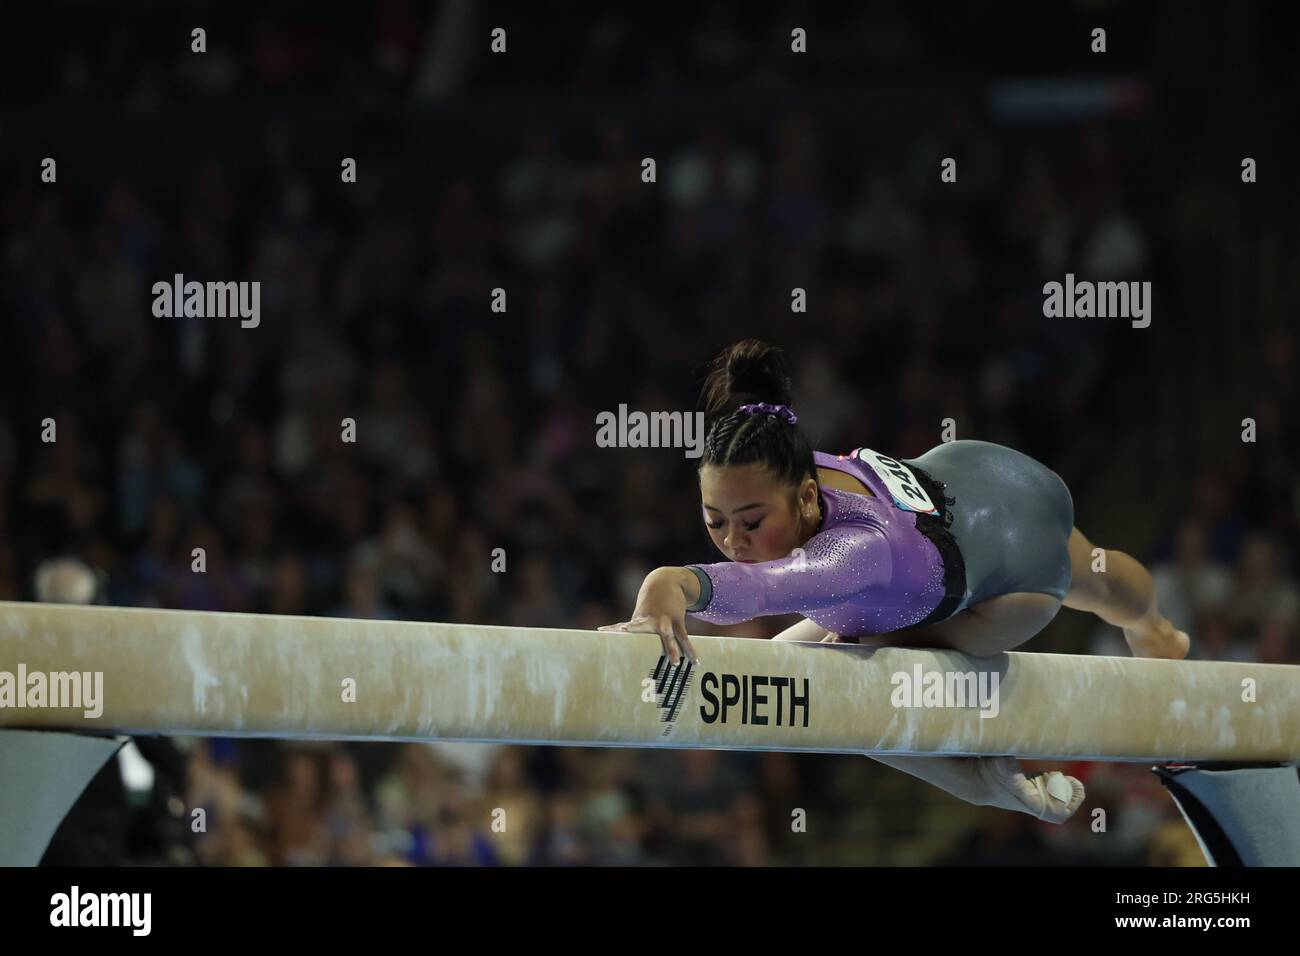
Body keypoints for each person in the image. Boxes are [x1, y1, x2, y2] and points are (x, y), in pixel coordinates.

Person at [601, 339, 1189, 823]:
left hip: (1008, 592)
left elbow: (762, 589)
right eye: (714, 522)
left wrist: (671, 581)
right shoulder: (789, 461)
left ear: (808, 497)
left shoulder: (853, 550)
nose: (734, 541)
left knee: (832, 683)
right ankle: (1154, 627)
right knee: (1102, 576)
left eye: (752, 523)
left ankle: (983, 778)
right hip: (980, 477)